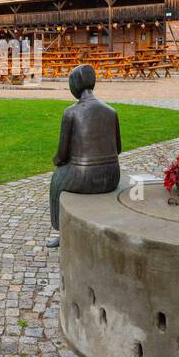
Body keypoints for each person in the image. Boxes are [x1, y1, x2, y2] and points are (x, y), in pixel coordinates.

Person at [46, 65, 122, 248]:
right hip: (112, 175)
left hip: (84, 177)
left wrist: (57, 162)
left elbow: (62, 155)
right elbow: (118, 149)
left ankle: (61, 233)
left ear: (74, 84)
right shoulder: (111, 111)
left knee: (56, 181)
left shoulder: (71, 112)